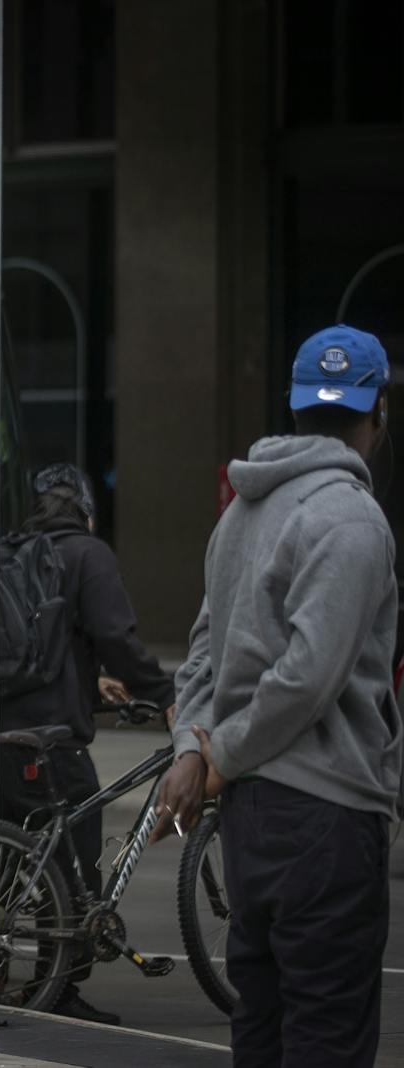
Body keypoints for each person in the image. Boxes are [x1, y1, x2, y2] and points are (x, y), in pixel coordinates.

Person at [154, 325, 402, 1067]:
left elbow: (203, 653)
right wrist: (216, 758)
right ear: (378, 414)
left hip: (252, 830)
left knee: (261, 1034)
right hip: (325, 815)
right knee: (328, 1039)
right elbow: (309, 675)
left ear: (294, 406)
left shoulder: (239, 514)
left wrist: (191, 748)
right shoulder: (354, 518)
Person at [0, 462, 176, 1025]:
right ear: (87, 513)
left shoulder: (7, 554)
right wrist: (162, 692)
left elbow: (35, 654)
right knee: (73, 864)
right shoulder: (89, 555)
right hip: (52, 742)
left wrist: (89, 686)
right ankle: (61, 988)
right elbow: (115, 635)